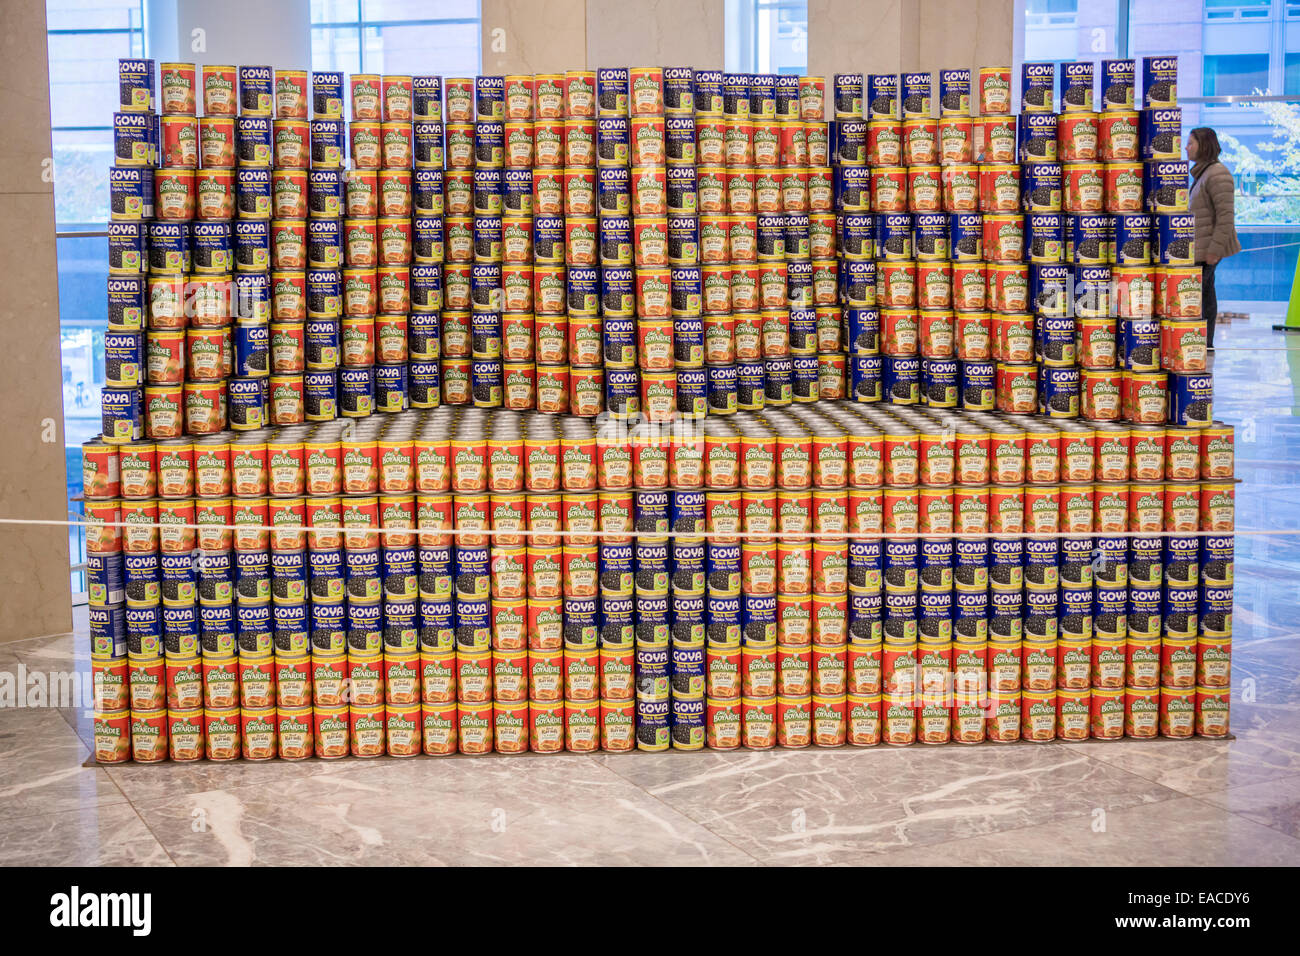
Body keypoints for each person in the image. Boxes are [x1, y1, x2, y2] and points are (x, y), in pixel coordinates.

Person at [1187, 127, 1241, 350]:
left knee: (1201, 297)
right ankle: (1204, 343)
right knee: (1205, 294)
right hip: (1200, 248)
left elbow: (1226, 217)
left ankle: (1203, 343)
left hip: (1207, 249)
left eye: (1191, 143)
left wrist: (1214, 251)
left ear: (1204, 145)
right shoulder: (1204, 173)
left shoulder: (1218, 173)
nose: (1187, 147)